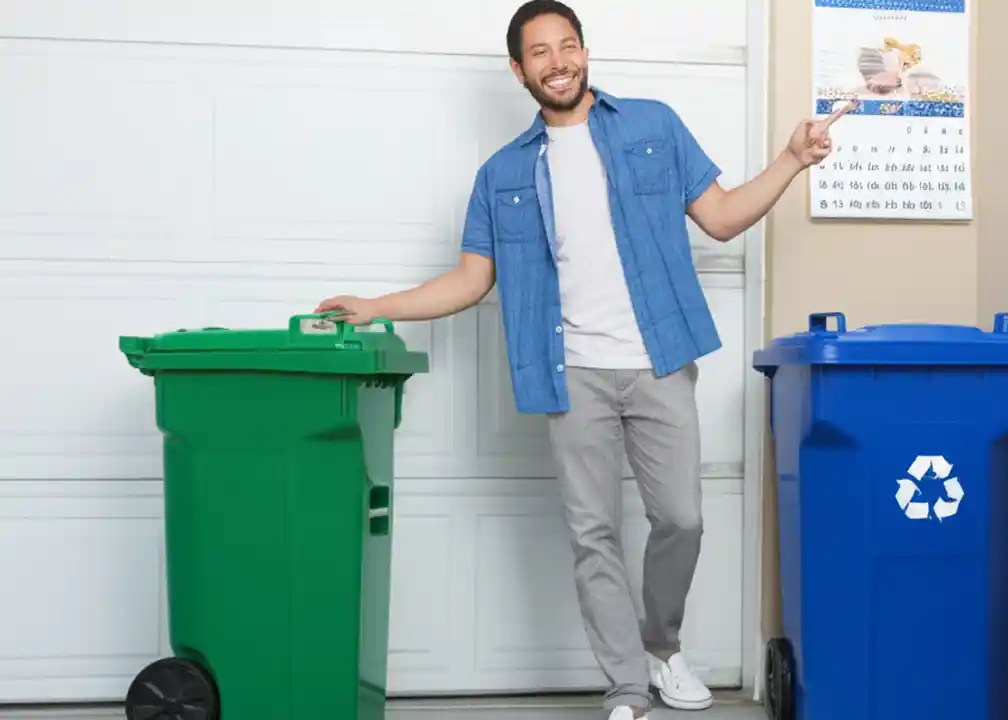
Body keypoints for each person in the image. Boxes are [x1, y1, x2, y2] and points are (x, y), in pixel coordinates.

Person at [315, 2, 848, 718]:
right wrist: (379, 305)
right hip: (572, 374)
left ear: (585, 52)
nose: (557, 61)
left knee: (682, 519)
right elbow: (471, 281)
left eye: (568, 46)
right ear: (519, 69)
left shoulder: (652, 126)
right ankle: (626, 688)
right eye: (540, 52)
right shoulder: (501, 173)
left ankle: (662, 648)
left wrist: (791, 159)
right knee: (592, 534)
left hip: (659, 359)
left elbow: (721, 218)